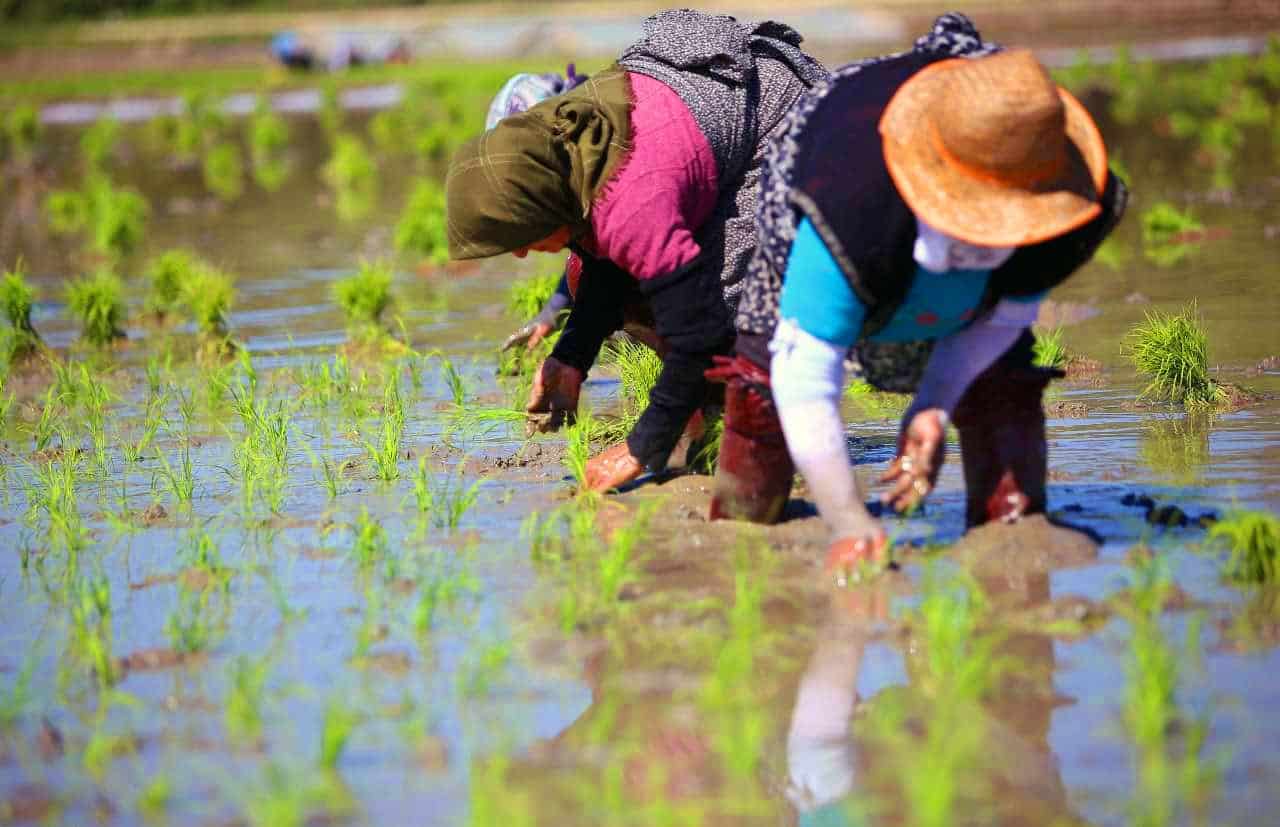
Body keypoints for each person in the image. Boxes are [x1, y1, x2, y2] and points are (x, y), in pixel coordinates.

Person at [715, 14, 1127, 574]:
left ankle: (1011, 548)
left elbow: (1005, 317)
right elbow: (806, 373)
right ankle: (740, 524)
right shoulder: (850, 202)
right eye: (978, 221)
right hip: (835, 146)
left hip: (981, 133)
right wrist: (847, 521)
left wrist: (934, 403)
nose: (992, 235)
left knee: (1003, 381)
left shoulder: (1066, 194)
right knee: (764, 381)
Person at [446, 9, 826, 490]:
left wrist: (640, 447)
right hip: (709, 127)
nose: (520, 256)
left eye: (519, 237)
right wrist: (571, 357)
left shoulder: (631, 195)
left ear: (542, 204)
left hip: (785, 126)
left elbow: (699, 332)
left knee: (729, 309)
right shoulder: (577, 149)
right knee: (597, 274)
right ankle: (702, 414)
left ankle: (764, 437)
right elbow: (609, 258)